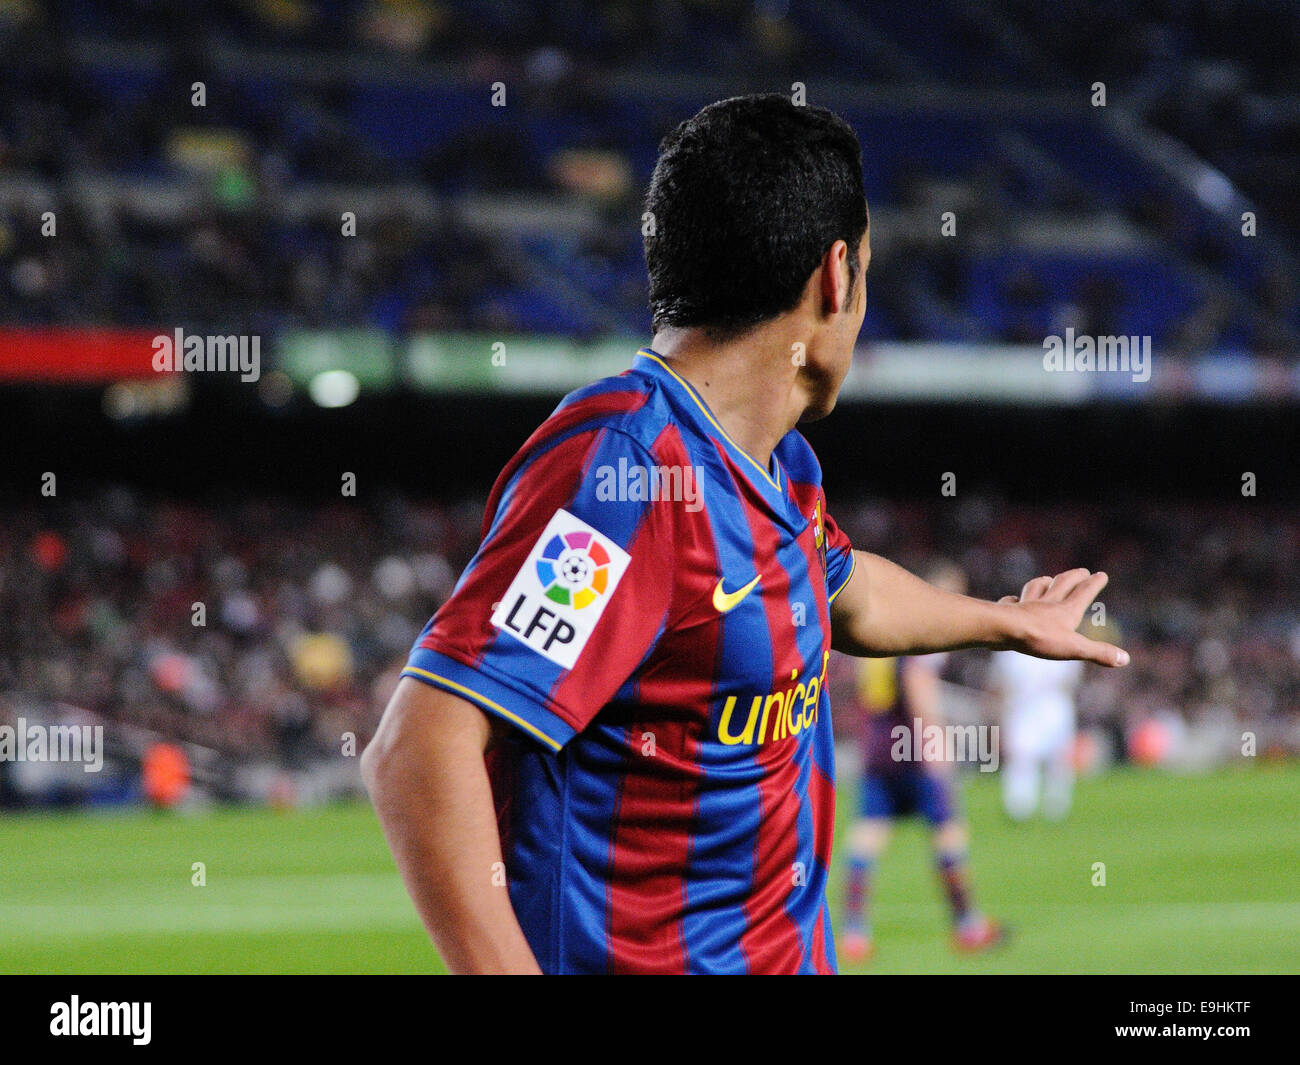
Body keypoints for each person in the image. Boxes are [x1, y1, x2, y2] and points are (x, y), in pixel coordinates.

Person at [361, 94, 1128, 974]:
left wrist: (1004, 621)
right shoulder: (629, 472)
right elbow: (421, 743)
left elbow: (853, 594)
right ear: (835, 277)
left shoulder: (780, 466)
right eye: (869, 274)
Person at [841, 561, 1004, 961]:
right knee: (948, 831)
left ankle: (853, 932)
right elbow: (918, 683)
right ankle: (967, 926)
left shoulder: (880, 621)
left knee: (868, 832)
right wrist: (936, 747)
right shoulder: (924, 627)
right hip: (912, 748)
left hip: (880, 745)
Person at [989, 650, 1086, 821]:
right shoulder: (1011, 651)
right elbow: (1000, 684)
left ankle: (1057, 806)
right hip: (1022, 709)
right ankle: (1019, 806)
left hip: (1055, 708)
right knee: (1021, 755)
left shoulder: (1060, 640)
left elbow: (1072, 681)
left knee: (1058, 758)